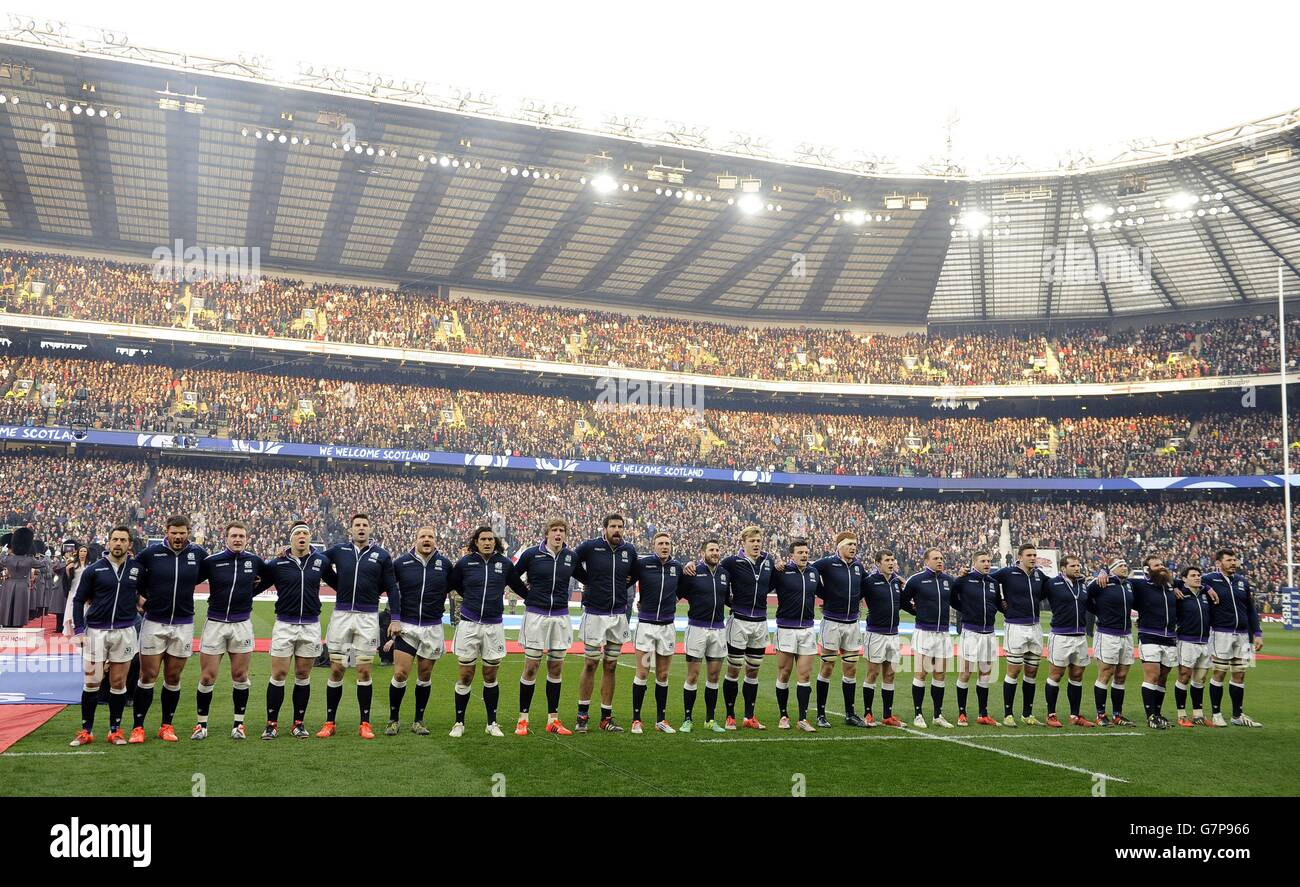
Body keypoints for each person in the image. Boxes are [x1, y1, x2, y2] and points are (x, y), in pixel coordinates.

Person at [317, 513, 400, 740]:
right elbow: (317, 564)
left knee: (363, 670)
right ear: (350, 530)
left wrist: (396, 617)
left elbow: (392, 588)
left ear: (370, 529)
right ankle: (329, 722)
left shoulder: (381, 555)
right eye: (357, 525)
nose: (361, 528)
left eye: (364, 525)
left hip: (367, 617)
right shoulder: (339, 551)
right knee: (337, 669)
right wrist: (338, 584)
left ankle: (365, 723)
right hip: (341, 615)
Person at [131, 515, 207, 743]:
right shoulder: (150, 554)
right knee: (148, 676)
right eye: (174, 532)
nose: (178, 536)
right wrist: (141, 600)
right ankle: (138, 727)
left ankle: (167, 726)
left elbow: (209, 573)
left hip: (183, 623)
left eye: (182, 532)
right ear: (167, 531)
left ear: (189, 532)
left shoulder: (198, 554)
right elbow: (133, 578)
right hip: (154, 622)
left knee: (173, 677)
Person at [68, 526, 142, 746]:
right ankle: (86, 730)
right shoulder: (94, 569)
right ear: (108, 542)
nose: (118, 543)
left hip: (125, 631)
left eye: (123, 540)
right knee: (92, 681)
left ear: (129, 544)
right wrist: (79, 631)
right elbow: (79, 600)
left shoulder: (137, 569)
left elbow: (145, 595)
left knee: (118, 683)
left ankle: (115, 730)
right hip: (96, 632)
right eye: (114, 539)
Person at [193, 521, 266, 740]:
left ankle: (239, 724)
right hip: (215, 623)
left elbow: (269, 577)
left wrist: (251, 592)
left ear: (246, 539)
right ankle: (201, 725)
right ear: (226, 537)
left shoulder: (254, 561)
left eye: (241, 536)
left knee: (240, 675)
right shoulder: (212, 561)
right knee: (207, 677)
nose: (237, 539)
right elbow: (191, 579)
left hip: (242, 624)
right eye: (234, 535)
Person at [258, 522, 330, 739]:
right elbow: (256, 584)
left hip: (310, 625)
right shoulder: (277, 563)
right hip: (285, 625)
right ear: (290, 539)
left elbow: (340, 582)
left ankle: (298, 723)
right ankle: (271, 724)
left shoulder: (321, 561)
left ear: (310, 538)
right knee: (279, 674)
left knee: (302, 675)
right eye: (297, 533)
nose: (302, 536)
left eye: (305, 533)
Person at [570, 513, 640, 733]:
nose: (617, 530)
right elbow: (571, 561)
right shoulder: (591, 547)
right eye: (613, 526)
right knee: (591, 664)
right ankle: (582, 716)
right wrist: (586, 579)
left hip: (618, 615)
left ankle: (606, 718)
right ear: (604, 528)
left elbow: (636, 572)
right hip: (594, 613)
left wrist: (628, 580)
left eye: (620, 526)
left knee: (611, 665)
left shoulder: (629, 550)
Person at [508, 518, 577, 736]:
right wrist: (528, 595)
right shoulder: (531, 554)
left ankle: (553, 720)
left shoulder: (571, 557)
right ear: (546, 533)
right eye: (555, 530)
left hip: (560, 616)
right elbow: (512, 576)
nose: (559, 533)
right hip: (536, 615)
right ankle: (523, 719)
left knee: (556, 668)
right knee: (531, 667)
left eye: (562, 530)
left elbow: (590, 578)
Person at [387, 526, 453, 736]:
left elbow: (459, 586)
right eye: (422, 536)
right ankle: (393, 719)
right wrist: (395, 618)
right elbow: (390, 589)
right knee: (400, 673)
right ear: (415, 540)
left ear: (435, 541)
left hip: (432, 627)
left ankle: (418, 721)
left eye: (430, 537)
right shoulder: (401, 563)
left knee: (424, 675)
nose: (427, 540)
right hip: (407, 626)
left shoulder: (445, 564)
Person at [447, 526, 511, 737]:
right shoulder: (465, 563)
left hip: (494, 625)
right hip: (469, 623)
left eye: (490, 539)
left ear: (495, 542)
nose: (487, 542)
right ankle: (459, 723)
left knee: (490, 675)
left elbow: (519, 587)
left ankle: (492, 723)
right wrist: (471, 598)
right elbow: (453, 583)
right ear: (476, 541)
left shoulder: (504, 563)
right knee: (465, 675)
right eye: (483, 539)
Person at [1200, 548, 1264, 727]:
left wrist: (1257, 633)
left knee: (1240, 674)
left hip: (1244, 635)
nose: (1233, 563)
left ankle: (1237, 715)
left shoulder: (1242, 582)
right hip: (1221, 633)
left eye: (1235, 560)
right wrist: (1207, 587)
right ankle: (1216, 713)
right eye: (1229, 560)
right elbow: (1186, 582)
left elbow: (1251, 609)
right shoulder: (1209, 579)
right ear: (1219, 563)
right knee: (1219, 673)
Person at [812, 532, 868, 728]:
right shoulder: (827, 563)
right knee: (827, 667)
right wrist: (824, 594)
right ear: (840, 546)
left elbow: (867, 585)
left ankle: (850, 714)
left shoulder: (859, 566)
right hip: (832, 622)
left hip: (852, 623)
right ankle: (820, 714)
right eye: (850, 544)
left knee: (851, 669)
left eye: (855, 544)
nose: (853, 547)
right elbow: (809, 572)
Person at [629, 531, 681, 734]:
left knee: (663, 674)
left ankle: (661, 719)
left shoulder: (677, 567)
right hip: (646, 627)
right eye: (660, 543)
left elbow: (684, 588)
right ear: (654, 546)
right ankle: (636, 719)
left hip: (667, 627)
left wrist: (672, 602)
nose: (664, 546)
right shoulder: (643, 564)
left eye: (667, 543)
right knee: (642, 672)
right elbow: (626, 579)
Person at [677, 539, 730, 733]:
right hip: (696, 628)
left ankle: (710, 719)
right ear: (703, 552)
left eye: (717, 549)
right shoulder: (693, 572)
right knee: (693, 675)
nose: (715, 552)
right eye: (711, 550)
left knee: (714, 676)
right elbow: (675, 595)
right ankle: (687, 719)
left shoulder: (725, 574)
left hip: (718, 629)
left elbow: (730, 599)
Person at [991, 544, 1047, 727]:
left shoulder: (1039, 575)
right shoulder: (1007, 573)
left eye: (1034, 555)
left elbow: (1055, 586)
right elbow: (987, 583)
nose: (1033, 558)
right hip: (1015, 626)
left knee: (1032, 671)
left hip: (1036, 627)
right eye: (1029, 555)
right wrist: (1000, 603)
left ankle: (1027, 714)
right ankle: (1008, 714)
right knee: (1014, 670)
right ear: (1020, 557)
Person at [901, 547, 956, 728]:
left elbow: (957, 601)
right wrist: (915, 612)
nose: (940, 561)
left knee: (940, 674)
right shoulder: (916, 580)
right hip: (924, 632)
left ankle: (937, 715)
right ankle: (918, 714)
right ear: (926, 561)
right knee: (921, 673)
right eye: (935, 558)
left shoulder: (949, 580)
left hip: (944, 633)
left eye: (941, 558)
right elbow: (903, 600)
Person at [771, 538, 820, 731]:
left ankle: (802, 718)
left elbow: (825, 592)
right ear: (791, 555)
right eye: (800, 552)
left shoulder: (814, 572)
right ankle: (783, 716)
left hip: (807, 629)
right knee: (784, 673)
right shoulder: (782, 572)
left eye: (806, 552)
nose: (804, 555)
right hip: (786, 628)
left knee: (805, 674)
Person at [1041, 556, 1093, 728]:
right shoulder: (1052, 583)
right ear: (1063, 568)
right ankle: (1051, 714)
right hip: (1061, 636)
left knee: (1077, 675)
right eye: (1073, 566)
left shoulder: (1083, 584)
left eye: (1078, 565)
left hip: (1080, 636)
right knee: (1056, 674)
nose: (1077, 568)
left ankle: (1075, 715)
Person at [950, 550, 1001, 726]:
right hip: (971, 632)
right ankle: (962, 713)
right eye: (983, 561)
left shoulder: (994, 583)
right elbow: (951, 598)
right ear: (974, 562)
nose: (987, 563)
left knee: (985, 674)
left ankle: (983, 713)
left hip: (989, 633)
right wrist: (965, 609)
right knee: (965, 672)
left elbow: (997, 603)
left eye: (988, 561)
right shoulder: (964, 580)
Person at [1085, 558, 1136, 726]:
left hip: (1127, 635)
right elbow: (1084, 597)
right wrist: (1102, 571)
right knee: (1106, 673)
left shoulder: (1129, 584)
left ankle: (1117, 714)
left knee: (1121, 675)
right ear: (1112, 569)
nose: (1124, 567)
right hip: (1107, 634)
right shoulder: (1102, 582)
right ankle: (1100, 714)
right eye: (1121, 565)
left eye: (1125, 565)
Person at [861, 549, 905, 727]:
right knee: (873, 673)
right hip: (876, 633)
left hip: (893, 633)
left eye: (893, 559)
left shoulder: (896, 582)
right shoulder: (869, 582)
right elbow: (854, 596)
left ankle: (887, 715)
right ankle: (868, 713)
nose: (891, 562)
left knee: (890, 674)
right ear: (878, 563)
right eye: (887, 560)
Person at [1172, 566, 1214, 728]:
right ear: (1184, 578)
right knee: (1184, 675)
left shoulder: (1205, 593)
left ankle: (1198, 715)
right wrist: (1176, 586)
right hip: (1186, 640)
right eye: (1193, 575)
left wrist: (1208, 587)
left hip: (1205, 641)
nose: (1197, 578)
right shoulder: (1180, 593)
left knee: (1200, 678)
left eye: (1199, 575)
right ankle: (1181, 715)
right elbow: (1170, 581)